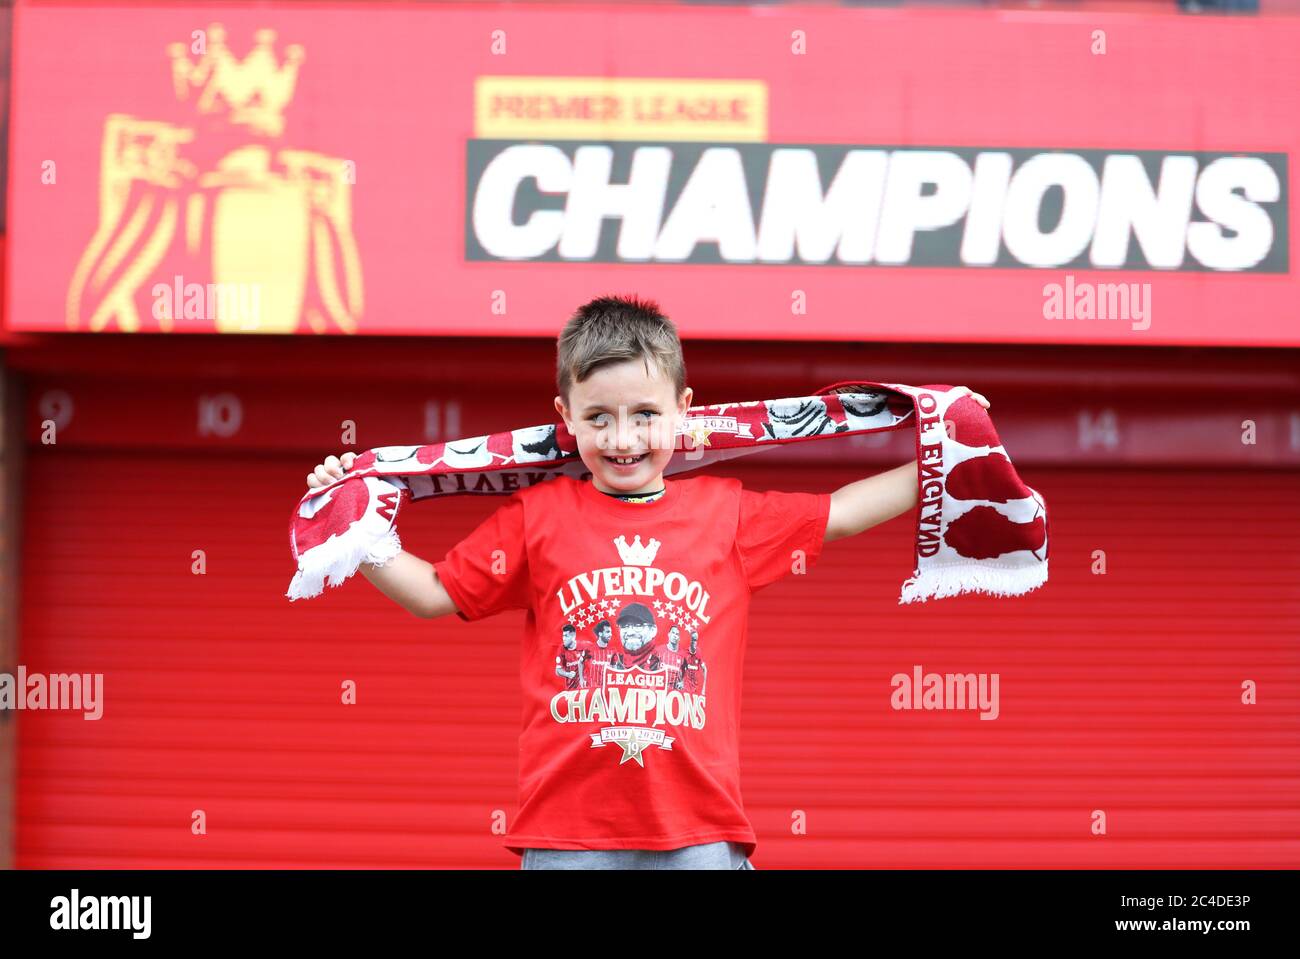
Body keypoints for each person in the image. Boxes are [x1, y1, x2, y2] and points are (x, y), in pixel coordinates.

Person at [306, 294, 989, 870]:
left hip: (698, 833)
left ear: (684, 408)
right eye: (598, 417)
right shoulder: (537, 516)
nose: (622, 437)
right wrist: (353, 529)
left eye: (644, 414)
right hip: (565, 836)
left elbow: (839, 512)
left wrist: (946, 447)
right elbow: (434, 592)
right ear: (565, 414)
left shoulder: (725, 513)